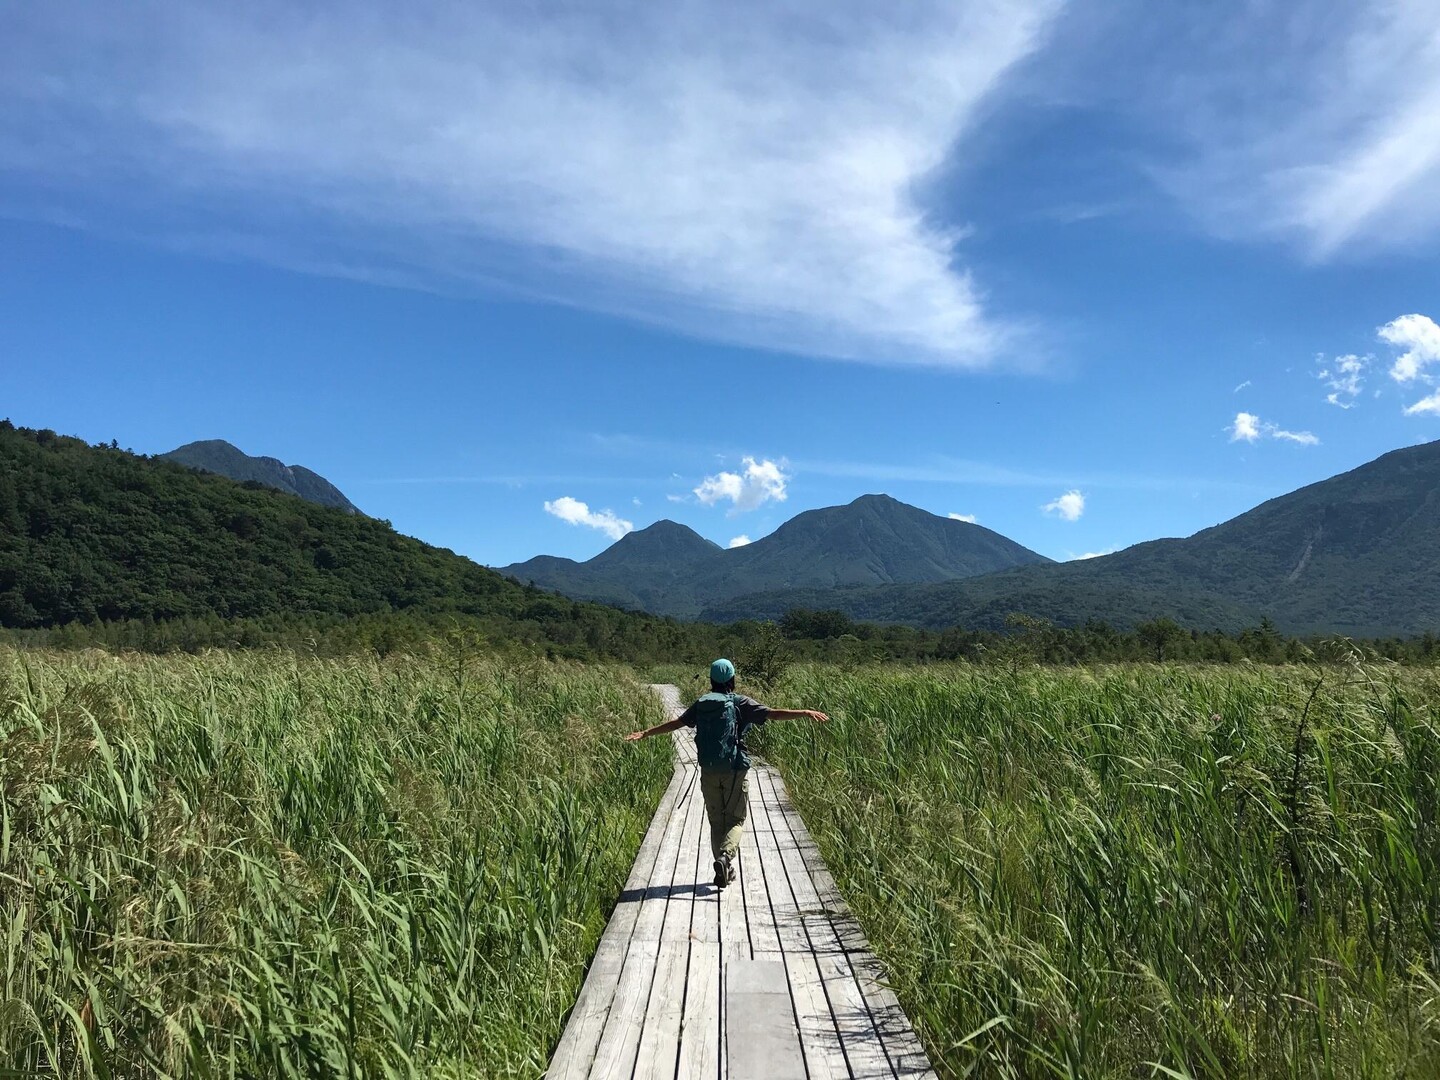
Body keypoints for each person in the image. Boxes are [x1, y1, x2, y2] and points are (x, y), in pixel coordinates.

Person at [624, 658, 828, 889]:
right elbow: (773, 714)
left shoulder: (702, 703)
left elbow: (677, 723)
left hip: (708, 769)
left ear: (711, 680)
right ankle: (726, 858)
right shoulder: (739, 702)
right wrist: (804, 712)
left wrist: (645, 732)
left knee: (716, 821)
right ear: (732, 679)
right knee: (736, 819)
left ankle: (724, 869)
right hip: (734, 769)